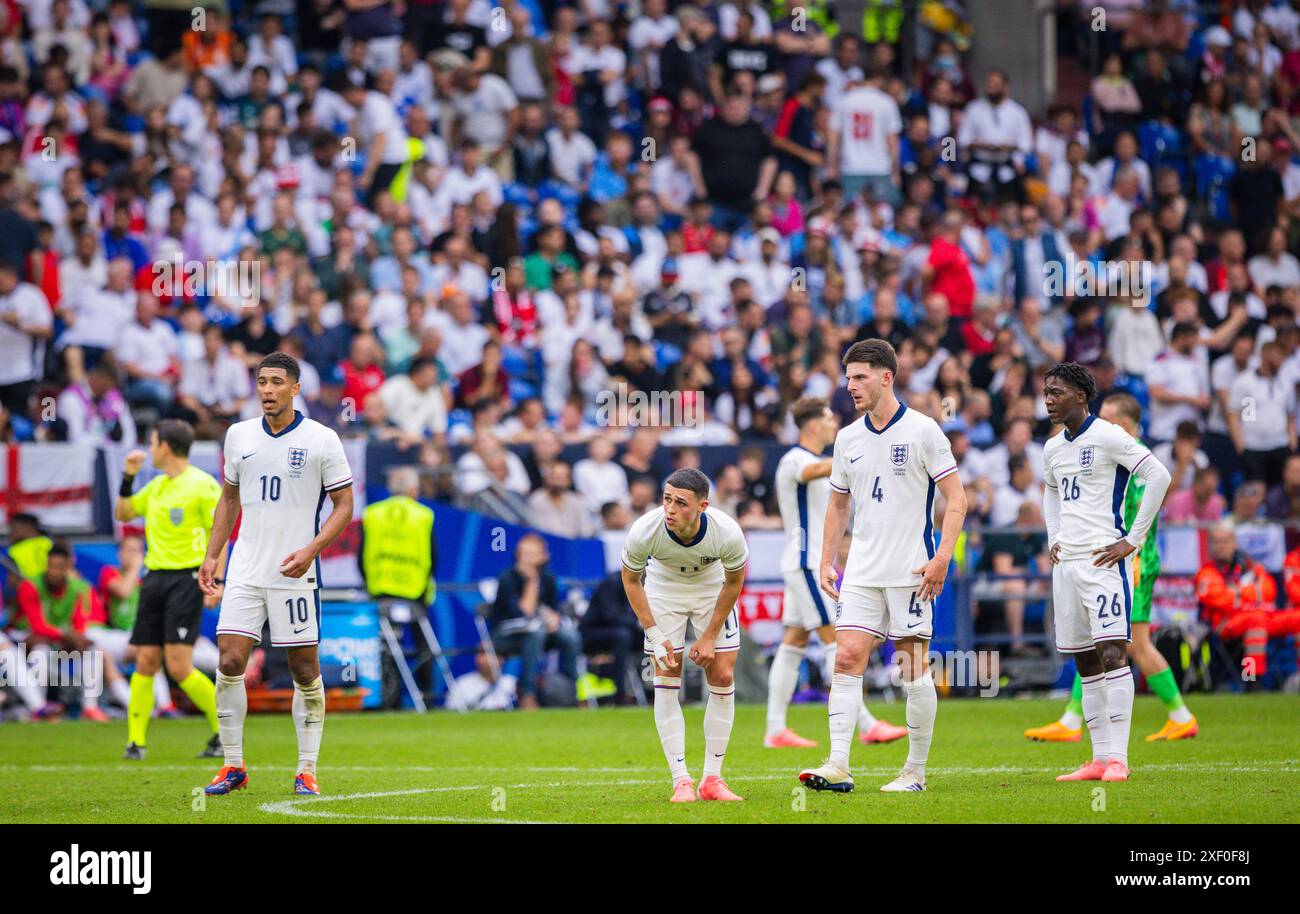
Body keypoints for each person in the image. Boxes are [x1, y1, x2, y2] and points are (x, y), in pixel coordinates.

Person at [798, 339, 967, 795]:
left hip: (911, 571)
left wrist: (941, 557)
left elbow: (957, 499)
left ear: (885, 377)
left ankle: (914, 772)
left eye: (859, 377)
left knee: (912, 668)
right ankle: (837, 765)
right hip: (862, 574)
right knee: (847, 658)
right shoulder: (848, 438)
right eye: (847, 377)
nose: (850, 386)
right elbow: (837, 506)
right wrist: (826, 560)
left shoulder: (924, 430)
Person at [199, 352, 355, 797]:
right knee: (229, 661)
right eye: (262, 382)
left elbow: (344, 506)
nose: (267, 390)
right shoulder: (238, 435)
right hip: (246, 568)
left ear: (294, 389)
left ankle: (307, 769)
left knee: (303, 668)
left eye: (276, 382)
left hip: (295, 571)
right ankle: (233, 766)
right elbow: (229, 499)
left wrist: (311, 550)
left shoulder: (322, 439)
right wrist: (213, 556)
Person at [1025, 393, 1198, 745]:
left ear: (1125, 424)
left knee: (1130, 642)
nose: (1098, 422)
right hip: (1112, 555)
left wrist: (1132, 543)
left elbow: (1152, 491)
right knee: (1095, 636)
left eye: (1108, 417)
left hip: (1130, 558)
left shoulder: (1125, 453)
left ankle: (1180, 714)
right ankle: (1075, 718)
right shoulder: (1089, 449)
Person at [1039, 363, 1171, 784]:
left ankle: (1119, 758)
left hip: (1103, 563)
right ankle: (1098, 759)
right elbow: (1051, 490)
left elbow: (1158, 475)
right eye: (1045, 391)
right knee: (1085, 661)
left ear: (1080, 396)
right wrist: (1052, 536)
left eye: (1056, 391)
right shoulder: (1053, 448)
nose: (1047, 398)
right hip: (1068, 565)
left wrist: (1132, 539)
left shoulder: (1110, 436)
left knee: (1114, 653)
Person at [765, 395, 905, 748]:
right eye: (828, 418)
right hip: (806, 561)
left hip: (804, 562)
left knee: (794, 641)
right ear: (813, 424)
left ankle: (775, 728)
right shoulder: (795, 459)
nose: (833, 425)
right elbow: (810, 471)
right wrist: (854, 454)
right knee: (836, 641)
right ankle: (867, 724)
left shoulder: (815, 460)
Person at [621, 468, 750, 803]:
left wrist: (708, 637)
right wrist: (652, 629)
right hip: (663, 591)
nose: (670, 509)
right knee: (666, 673)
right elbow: (631, 580)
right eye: (667, 499)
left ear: (702, 506)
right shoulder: (644, 530)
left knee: (722, 673)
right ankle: (681, 780)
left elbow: (733, 583)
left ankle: (712, 779)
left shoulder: (728, 533)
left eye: (680, 503)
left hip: (712, 590)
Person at [114, 419, 225, 759]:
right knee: (146, 660)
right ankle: (136, 741)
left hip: (187, 579)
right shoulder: (158, 486)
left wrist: (215, 581)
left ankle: (224, 733)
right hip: (155, 579)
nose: (149, 450)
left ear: (165, 446)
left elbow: (220, 534)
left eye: (152, 443)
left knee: (178, 665)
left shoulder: (203, 486)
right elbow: (123, 513)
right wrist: (128, 476)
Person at [359, 466, 437, 701]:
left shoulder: (372, 513)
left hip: (381, 591)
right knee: (424, 647)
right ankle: (427, 696)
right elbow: (433, 555)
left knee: (385, 648)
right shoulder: (424, 515)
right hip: (415, 591)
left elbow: (361, 555)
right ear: (414, 489)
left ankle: (387, 697)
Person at [1196, 522, 1300, 684]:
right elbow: (1222, 600)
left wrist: (1238, 592)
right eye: (1216, 542)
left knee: (1297, 618)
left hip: (1264, 616)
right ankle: (1252, 679)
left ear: (1234, 542)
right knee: (1255, 619)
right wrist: (1251, 592)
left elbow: (1269, 589)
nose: (1221, 546)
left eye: (1225, 541)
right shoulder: (1206, 573)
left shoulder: (1248, 565)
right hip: (1226, 623)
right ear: (1210, 545)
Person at [490, 533, 582, 710]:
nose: (529, 560)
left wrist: (553, 619)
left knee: (570, 636)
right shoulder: (507, 578)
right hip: (506, 636)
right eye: (525, 555)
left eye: (534, 555)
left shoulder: (548, 578)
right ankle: (527, 693)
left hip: (539, 632)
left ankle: (572, 690)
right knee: (535, 633)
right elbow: (523, 612)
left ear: (544, 557)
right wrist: (531, 581)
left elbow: (552, 609)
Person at [12, 542, 102, 719]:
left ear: (68, 567)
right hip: (27, 639)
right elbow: (37, 625)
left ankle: (90, 708)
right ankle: (39, 708)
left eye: (60, 567)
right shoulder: (30, 586)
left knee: (92, 650)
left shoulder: (78, 587)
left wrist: (77, 637)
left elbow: (78, 622)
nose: (54, 572)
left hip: (60, 642)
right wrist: (65, 636)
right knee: (40, 653)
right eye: (51, 566)